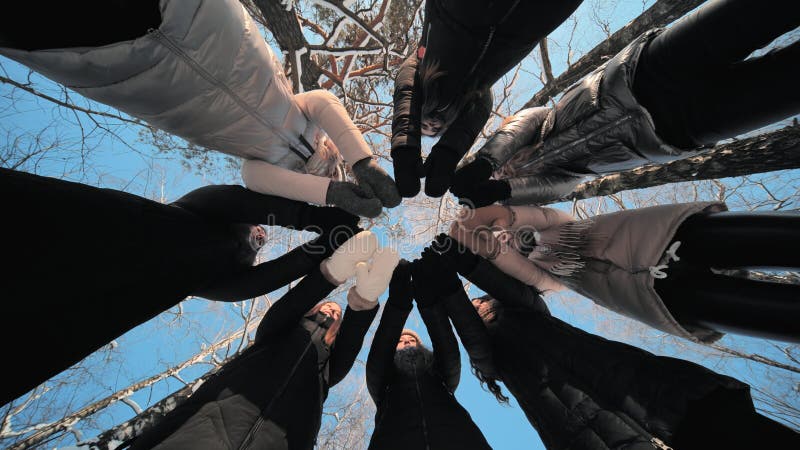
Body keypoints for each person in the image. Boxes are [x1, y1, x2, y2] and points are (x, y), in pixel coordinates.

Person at [0, 0, 400, 217]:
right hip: (206, 24)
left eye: (335, 175)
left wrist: (329, 195)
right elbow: (323, 100)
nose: (330, 170)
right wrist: (361, 161)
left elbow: (254, 179)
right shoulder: (307, 118)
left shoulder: (262, 166)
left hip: (131, 72)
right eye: (334, 170)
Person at [0, 167, 362, 407]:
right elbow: (236, 200)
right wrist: (310, 219)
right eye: (260, 231)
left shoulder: (214, 282)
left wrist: (323, 246)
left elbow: (263, 279)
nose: (262, 236)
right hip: (82, 225)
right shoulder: (195, 209)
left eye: (262, 240)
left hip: (65, 325)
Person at [429, 236, 800, 449]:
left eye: (479, 301)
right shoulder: (490, 359)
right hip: (580, 427)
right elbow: (470, 332)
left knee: (728, 430)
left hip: (634, 383)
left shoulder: (527, 309)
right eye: (474, 303)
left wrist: (462, 259)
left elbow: (505, 288)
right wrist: (445, 288)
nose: (477, 305)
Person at [452, 0, 800, 207]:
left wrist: (486, 160)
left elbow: (527, 119)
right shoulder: (552, 180)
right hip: (674, 131)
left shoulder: (538, 126)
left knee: (754, 11)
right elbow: (561, 186)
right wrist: (504, 190)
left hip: (640, 72)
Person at [127, 233, 400, 449]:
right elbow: (291, 305)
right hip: (202, 425)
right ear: (313, 310)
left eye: (337, 314)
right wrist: (330, 274)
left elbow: (351, 340)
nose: (332, 311)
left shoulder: (328, 370)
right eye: (329, 307)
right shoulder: (275, 334)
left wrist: (365, 299)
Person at [450, 203, 800, 343]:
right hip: (663, 299)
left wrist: (502, 217)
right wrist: (490, 250)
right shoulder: (556, 280)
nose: (510, 241)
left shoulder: (568, 227)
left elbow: (542, 218)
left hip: (672, 235)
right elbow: (532, 277)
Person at [391, 0, 583, 198]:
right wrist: (450, 151)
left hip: (455, 12)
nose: (431, 126)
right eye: (435, 130)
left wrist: (405, 144)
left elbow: (407, 86)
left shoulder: (420, 67)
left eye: (423, 125)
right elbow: (479, 108)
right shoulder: (477, 96)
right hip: (527, 28)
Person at [366, 261, 491, 450]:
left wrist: (429, 303)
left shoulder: (441, 376)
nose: (407, 342)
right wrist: (398, 305)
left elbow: (446, 344)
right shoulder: (384, 384)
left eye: (412, 340)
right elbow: (380, 350)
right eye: (401, 341)